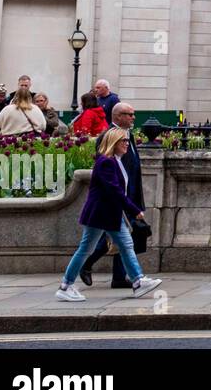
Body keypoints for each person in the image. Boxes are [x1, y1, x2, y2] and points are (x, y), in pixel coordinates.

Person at [55, 127, 162, 302]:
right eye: (123, 141)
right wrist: (134, 210)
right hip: (102, 213)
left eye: (127, 140)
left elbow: (119, 190)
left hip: (108, 212)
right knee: (88, 248)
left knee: (122, 244)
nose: (127, 144)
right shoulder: (107, 162)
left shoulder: (115, 160)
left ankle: (137, 281)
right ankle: (66, 286)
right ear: (114, 142)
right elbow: (115, 191)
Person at [80, 103, 146, 288]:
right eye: (129, 114)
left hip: (128, 194)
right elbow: (107, 169)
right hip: (114, 198)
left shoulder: (127, 135)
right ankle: (84, 266)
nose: (133, 117)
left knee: (124, 238)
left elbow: (132, 166)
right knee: (111, 238)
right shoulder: (108, 136)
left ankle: (119, 277)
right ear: (117, 116)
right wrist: (126, 201)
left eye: (134, 114)